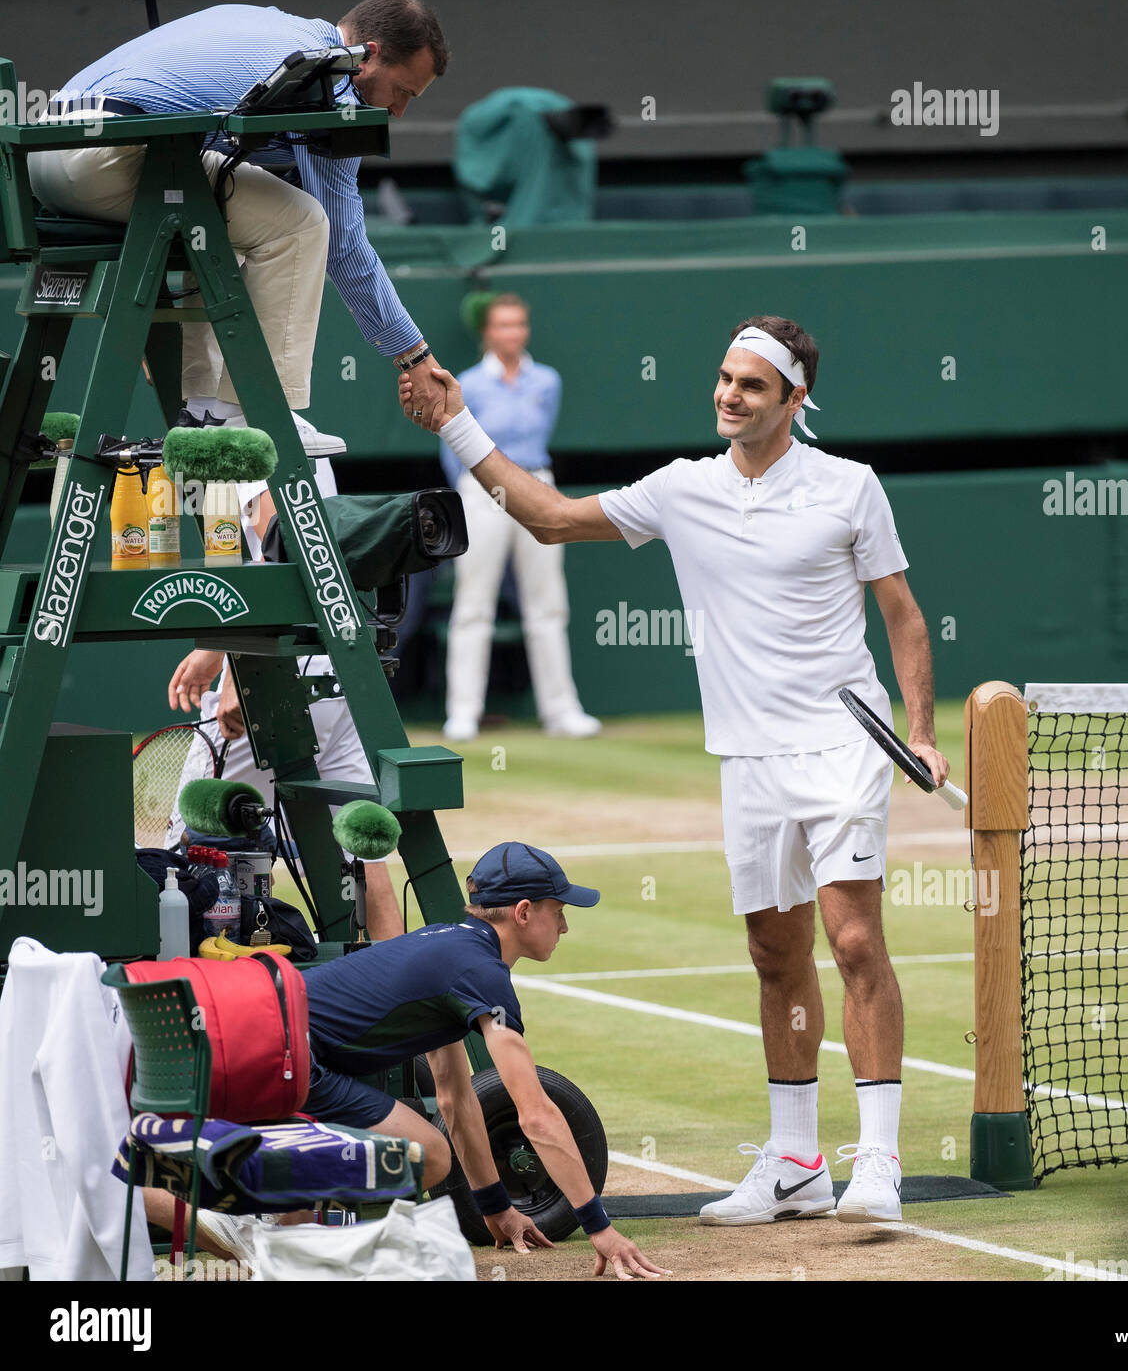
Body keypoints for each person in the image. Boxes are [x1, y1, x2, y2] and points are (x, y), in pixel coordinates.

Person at [402, 315, 951, 1228]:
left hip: (844, 743)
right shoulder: (681, 490)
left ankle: (880, 1160)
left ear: (794, 400)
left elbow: (904, 616)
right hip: (748, 757)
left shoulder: (851, 487)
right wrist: (461, 426)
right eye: (725, 378)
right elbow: (546, 519)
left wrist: (922, 732)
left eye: (752, 385)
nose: (729, 394)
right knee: (776, 957)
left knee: (853, 942)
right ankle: (795, 1163)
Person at [146, 842, 667, 1280]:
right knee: (428, 1157)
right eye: (560, 911)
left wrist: (497, 1208)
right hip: (274, 1051)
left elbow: (455, 1095)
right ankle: (258, 1219)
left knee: (295, 1200)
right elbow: (535, 1114)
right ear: (525, 912)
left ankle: (251, 1217)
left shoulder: (449, 949)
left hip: (245, 1039)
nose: (565, 928)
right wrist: (599, 1227)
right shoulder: (482, 975)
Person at [28, 0, 452, 442]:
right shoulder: (330, 82)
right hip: (105, 161)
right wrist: (413, 355)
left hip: (44, 163)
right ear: (371, 56)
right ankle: (257, 410)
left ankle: (204, 404)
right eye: (403, 92)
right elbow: (344, 247)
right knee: (303, 223)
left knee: (229, 209)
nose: (399, 112)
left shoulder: (266, 21)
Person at [164, 443, 404, 940]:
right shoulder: (301, 431)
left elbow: (275, 553)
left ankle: (194, 995)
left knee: (191, 842)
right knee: (364, 850)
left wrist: (238, 664)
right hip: (335, 657)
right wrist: (216, 649)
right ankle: (397, 992)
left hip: (276, 662)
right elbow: (294, 557)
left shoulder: (244, 429)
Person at [439, 294, 600, 741]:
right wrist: (475, 490)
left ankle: (561, 711)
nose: (512, 333)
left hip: (537, 486)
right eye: (503, 325)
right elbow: (453, 450)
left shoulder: (546, 381)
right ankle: (463, 713)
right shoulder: (467, 383)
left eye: (519, 325)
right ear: (488, 333)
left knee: (547, 603)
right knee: (474, 603)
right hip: (481, 491)